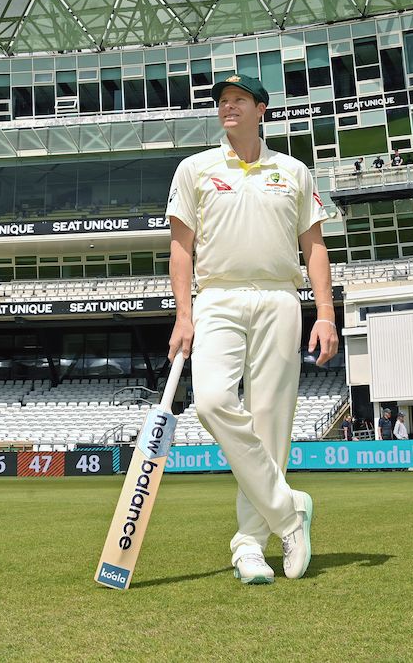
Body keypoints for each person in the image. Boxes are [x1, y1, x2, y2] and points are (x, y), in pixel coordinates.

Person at [165, 74, 335, 586]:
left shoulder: (294, 171)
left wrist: (325, 313)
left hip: (282, 298)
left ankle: (251, 547)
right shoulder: (195, 169)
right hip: (217, 296)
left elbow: (315, 247)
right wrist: (183, 313)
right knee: (212, 401)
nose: (228, 107)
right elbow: (180, 248)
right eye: (222, 101)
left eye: (239, 100)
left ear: (262, 109)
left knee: (270, 427)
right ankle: (289, 513)